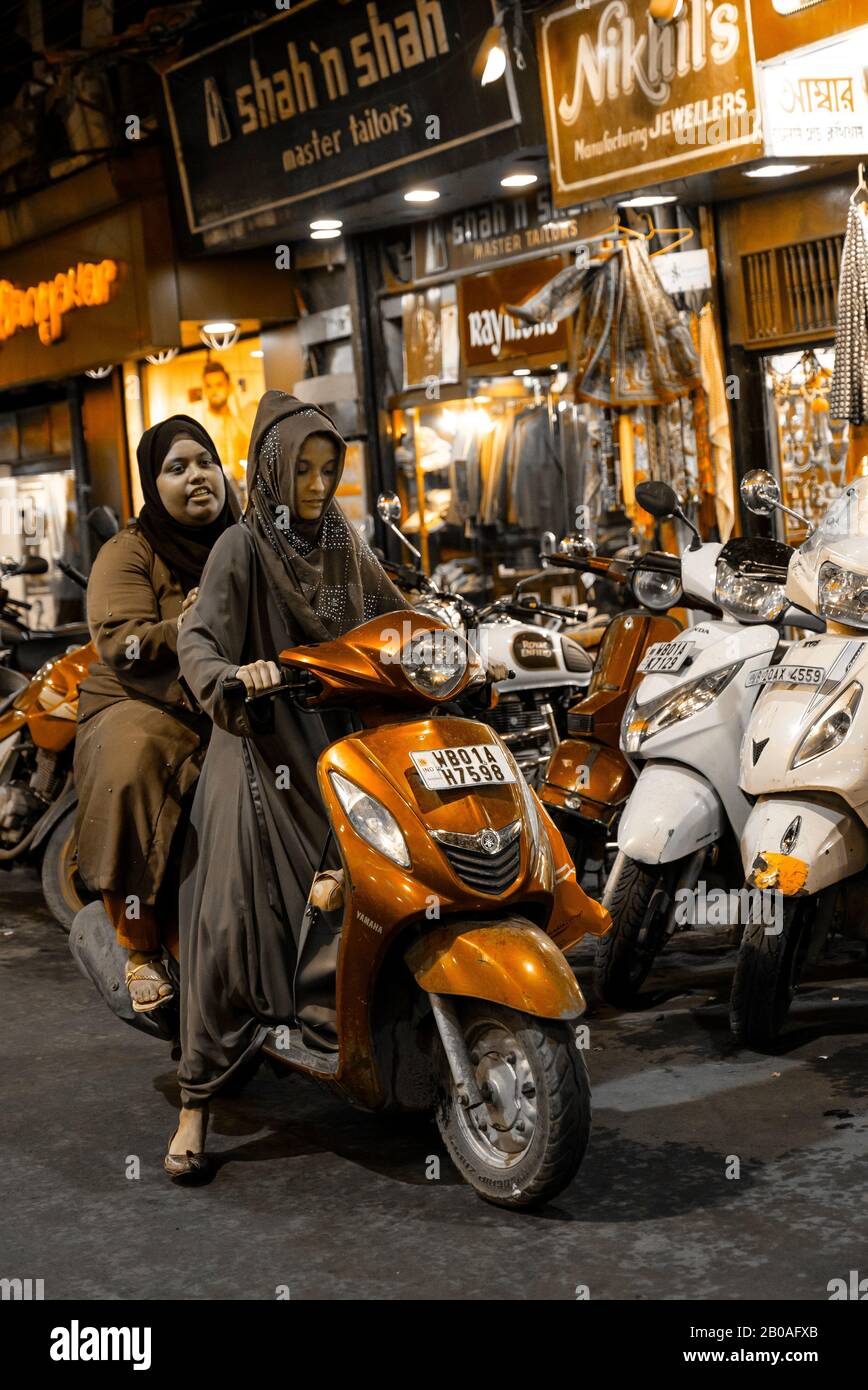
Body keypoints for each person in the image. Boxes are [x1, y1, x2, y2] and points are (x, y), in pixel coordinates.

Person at [166, 391, 408, 1178]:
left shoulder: (344, 540)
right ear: (270, 472)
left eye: (326, 466)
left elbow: (392, 616)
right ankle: (197, 1102)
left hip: (339, 745)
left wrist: (442, 636)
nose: (314, 482)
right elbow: (199, 637)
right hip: (258, 740)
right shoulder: (241, 545)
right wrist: (236, 674)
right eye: (299, 468)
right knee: (230, 919)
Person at [74, 417, 236, 1015]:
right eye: (177, 467)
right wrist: (184, 626)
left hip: (228, 694)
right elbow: (121, 643)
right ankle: (139, 941)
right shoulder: (129, 551)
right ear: (153, 482)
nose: (197, 476)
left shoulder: (248, 540)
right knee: (135, 761)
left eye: (205, 462)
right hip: (142, 697)